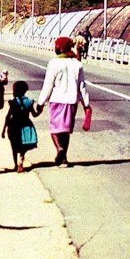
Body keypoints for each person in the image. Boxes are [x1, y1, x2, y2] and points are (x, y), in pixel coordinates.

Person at [36, 37, 91, 166]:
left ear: (60, 48)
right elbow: (82, 86)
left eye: (56, 46)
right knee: (66, 131)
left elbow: (48, 85)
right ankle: (64, 158)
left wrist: (40, 103)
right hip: (72, 101)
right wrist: (86, 104)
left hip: (57, 100)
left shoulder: (53, 63)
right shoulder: (77, 64)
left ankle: (59, 149)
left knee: (55, 129)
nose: (55, 48)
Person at [2, 80, 42, 173]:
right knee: (22, 145)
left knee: (14, 145)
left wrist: (4, 129)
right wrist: (40, 111)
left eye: (14, 90)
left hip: (14, 125)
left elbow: (8, 116)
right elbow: (34, 114)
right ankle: (21, 159)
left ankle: (15, 164)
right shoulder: (29, 102)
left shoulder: (13, 102)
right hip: (25, 125)